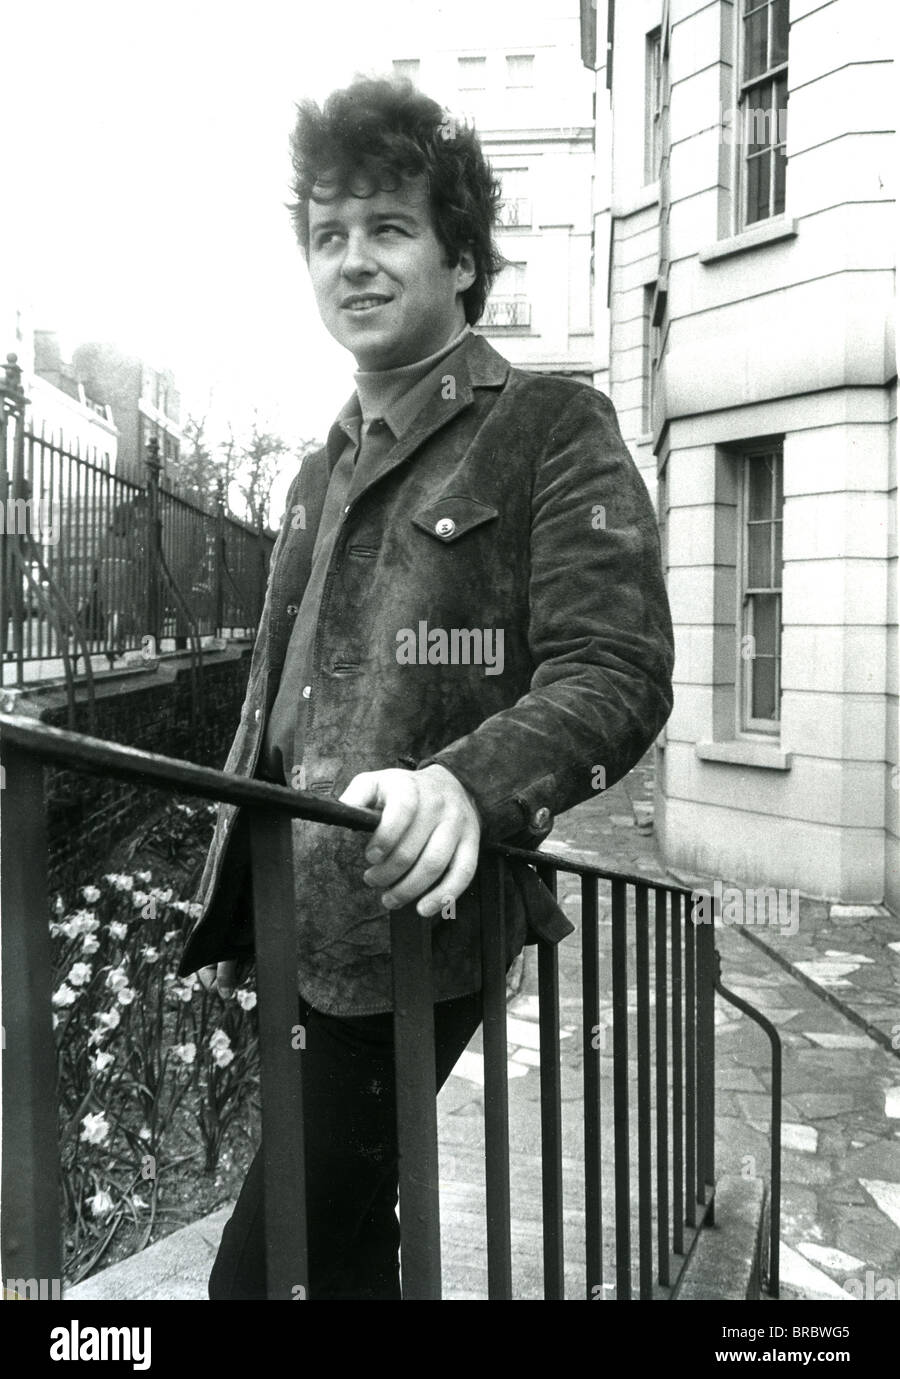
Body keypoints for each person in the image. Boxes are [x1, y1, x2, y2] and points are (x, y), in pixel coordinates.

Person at [178, 75, 674, 1300]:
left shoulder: (553, 427)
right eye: (328, 235)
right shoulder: (318, 467)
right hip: (291, 916)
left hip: (408, 925)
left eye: (388, 229)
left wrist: (470, 783)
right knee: (344, 1243)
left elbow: (618, 666)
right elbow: (283, 696)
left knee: (257, 1276)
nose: (353, 261)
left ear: (461, 257)